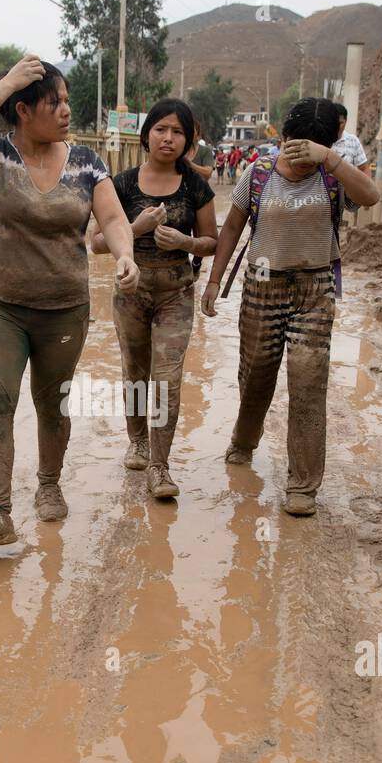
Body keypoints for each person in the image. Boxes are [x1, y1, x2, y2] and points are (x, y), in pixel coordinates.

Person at [0, 54, 139, 545]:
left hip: (65, 310)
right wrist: (8, 81)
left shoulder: (87, 163)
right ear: (25, 110)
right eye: (56, 102)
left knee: (53, 405)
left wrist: (125, 255)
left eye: (68, 101)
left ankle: (49, 486)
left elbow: (113, 220)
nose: (67, 111)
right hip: (2, 306)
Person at [201, 98, 380, 517]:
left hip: (314, 290)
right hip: (263, 288)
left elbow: (370, 197)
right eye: (295, 146)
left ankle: (302, 485)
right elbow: (231, 227)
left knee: (308, 381)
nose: (300, 158)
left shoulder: (333, 177)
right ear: (282, 139)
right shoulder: (258, 174)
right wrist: (212, 282)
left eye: (312, 149)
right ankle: (244, 442)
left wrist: (330, 160)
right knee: (257, 376)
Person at [92, 99, 218, 499]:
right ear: (147, 134)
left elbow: (212, 243)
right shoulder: (122, 183)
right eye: (161, 129)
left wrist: (186, 241)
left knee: (167, 377)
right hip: (130, 290)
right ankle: (138, 443)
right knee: (135, 371)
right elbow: (95, 242)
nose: (168, 138)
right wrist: (134, 226)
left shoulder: (197, 187)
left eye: (177, 132)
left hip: (176, 291)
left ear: (187, 140)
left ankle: (160, 467)